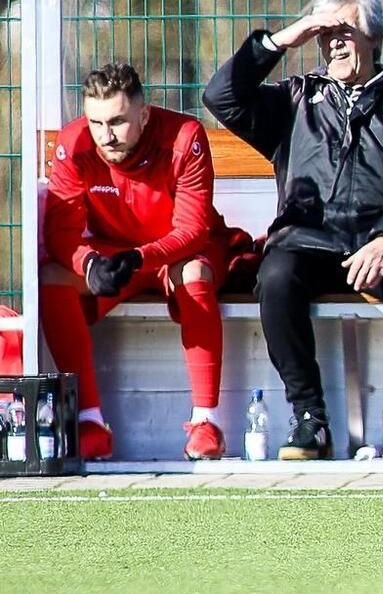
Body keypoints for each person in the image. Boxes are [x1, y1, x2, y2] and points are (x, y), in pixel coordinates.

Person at [203, 0, 383, 461]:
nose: (333, 43)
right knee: (274, 277)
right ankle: (309, 418)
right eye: (323, 33)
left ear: (373, 37)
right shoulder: (295, 98)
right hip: (310, 240)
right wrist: (281, 41)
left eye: (344, 32)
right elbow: (221, 97)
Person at [40, 63, 246, 460]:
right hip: (119, 256)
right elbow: (60, 234)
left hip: (178, 252)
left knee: (193, 272)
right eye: (96, 122)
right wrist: (89, 264)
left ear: (144, 114)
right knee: (51, 277)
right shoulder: (74, 143)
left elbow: (193, 229)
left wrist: (140, 257)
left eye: (117, 121)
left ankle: (206, 423)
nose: (106, 135)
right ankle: (90, 423)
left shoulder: (185, 137)